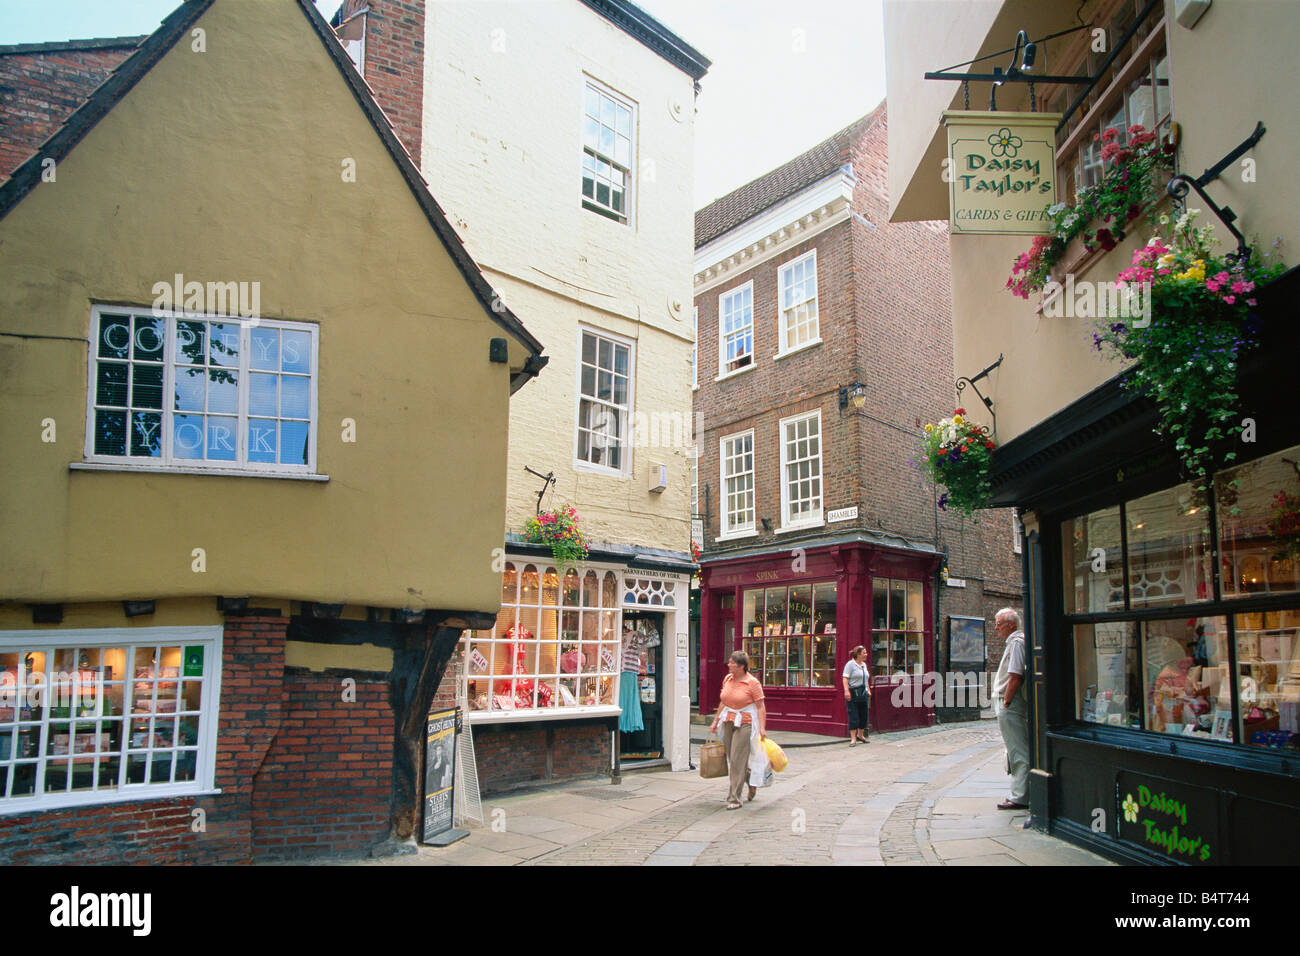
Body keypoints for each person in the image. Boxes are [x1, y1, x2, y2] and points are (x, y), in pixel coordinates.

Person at [708, 650, 766, 810]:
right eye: (729, 662)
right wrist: (715, 721)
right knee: (732, 758)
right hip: (728, 720)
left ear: (741, 666)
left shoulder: (752, 683)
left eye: (732, 663)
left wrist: (762, 728)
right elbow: (723, 702)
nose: (729, 665)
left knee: (737, 760)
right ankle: (750, 781)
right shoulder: (728, 679)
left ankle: (734, 798)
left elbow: (761, 707)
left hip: (745, 723)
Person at [992, 608, 1029, 810]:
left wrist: (1006, 701)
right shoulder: (1016, 642)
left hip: (1011, 703)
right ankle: (1020, 793)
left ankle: (1019, 796)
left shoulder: (1016, 643)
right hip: (1010, 702)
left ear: (1011, 625)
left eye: (999, 623)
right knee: (1015, 748)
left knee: (1017, 749)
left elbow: (1015, 675)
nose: (996, 627)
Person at [841, 645, 872, 745]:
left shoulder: (864, 665)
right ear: (858, 654)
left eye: (866, 652)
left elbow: (865, 679)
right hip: (853, 692)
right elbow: (845, 678)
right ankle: (853, 738)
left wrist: (868, 689)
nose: (866, 654)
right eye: (864, 653)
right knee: (853, 715)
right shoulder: (850, 664)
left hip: (863, 693)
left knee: (864, 715)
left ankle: (861, 735)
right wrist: (846, 691)